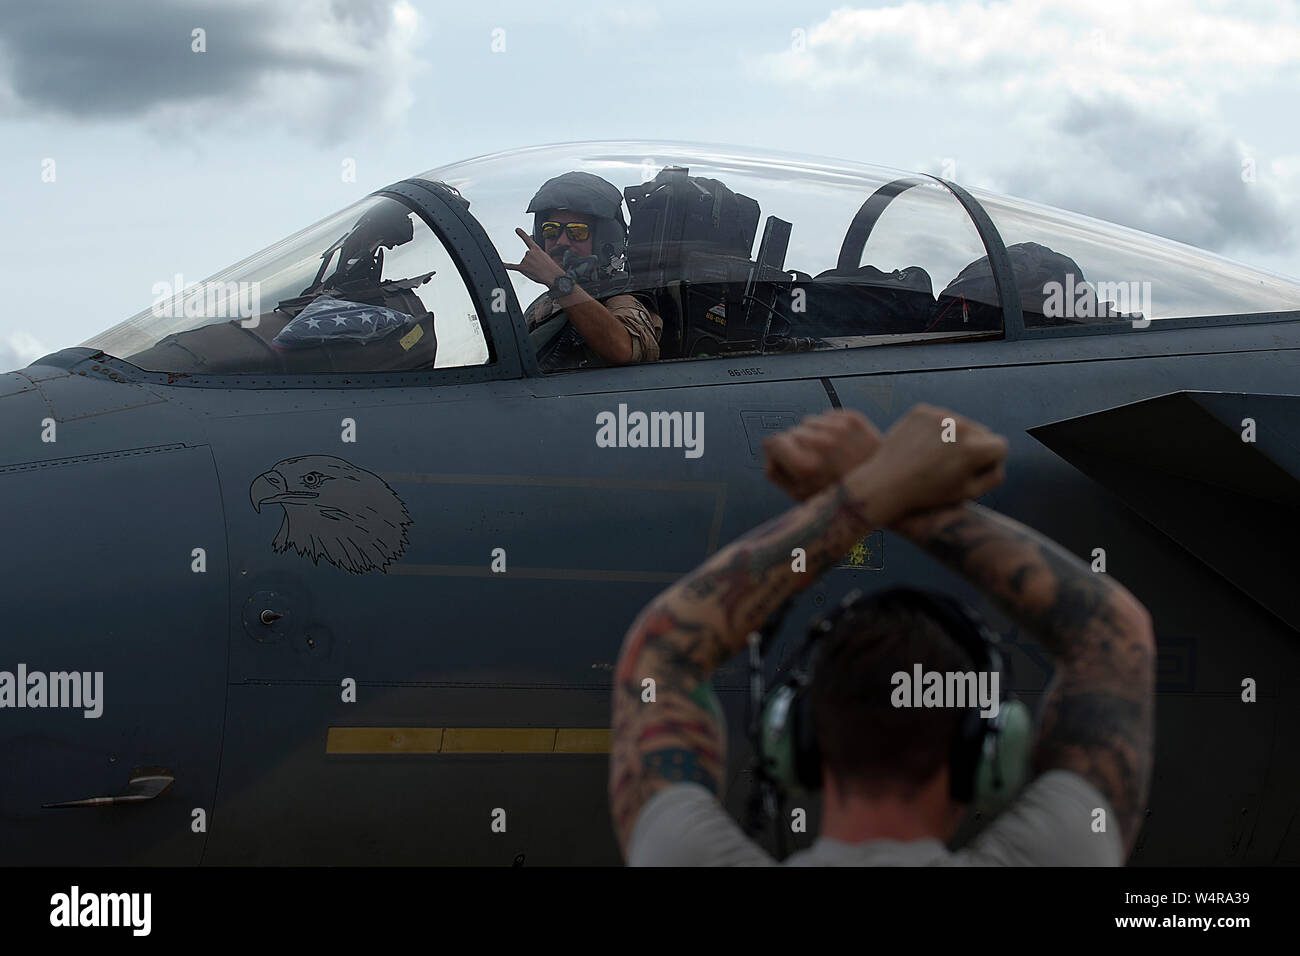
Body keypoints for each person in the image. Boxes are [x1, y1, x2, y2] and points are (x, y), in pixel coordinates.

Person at [609, 405, 1155, 865]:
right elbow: (1112, 635)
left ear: (794, 738)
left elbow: (663, 651)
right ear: (988, 753)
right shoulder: (1062, 851)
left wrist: (867, 491)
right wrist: (903, 496)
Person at [503, 171, 661, 371]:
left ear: (604, 241)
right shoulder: (545, 304)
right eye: (551, 230)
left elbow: (624, 350)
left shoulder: (620, 299)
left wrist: (558, 282)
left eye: (577, 232)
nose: (561, 241)